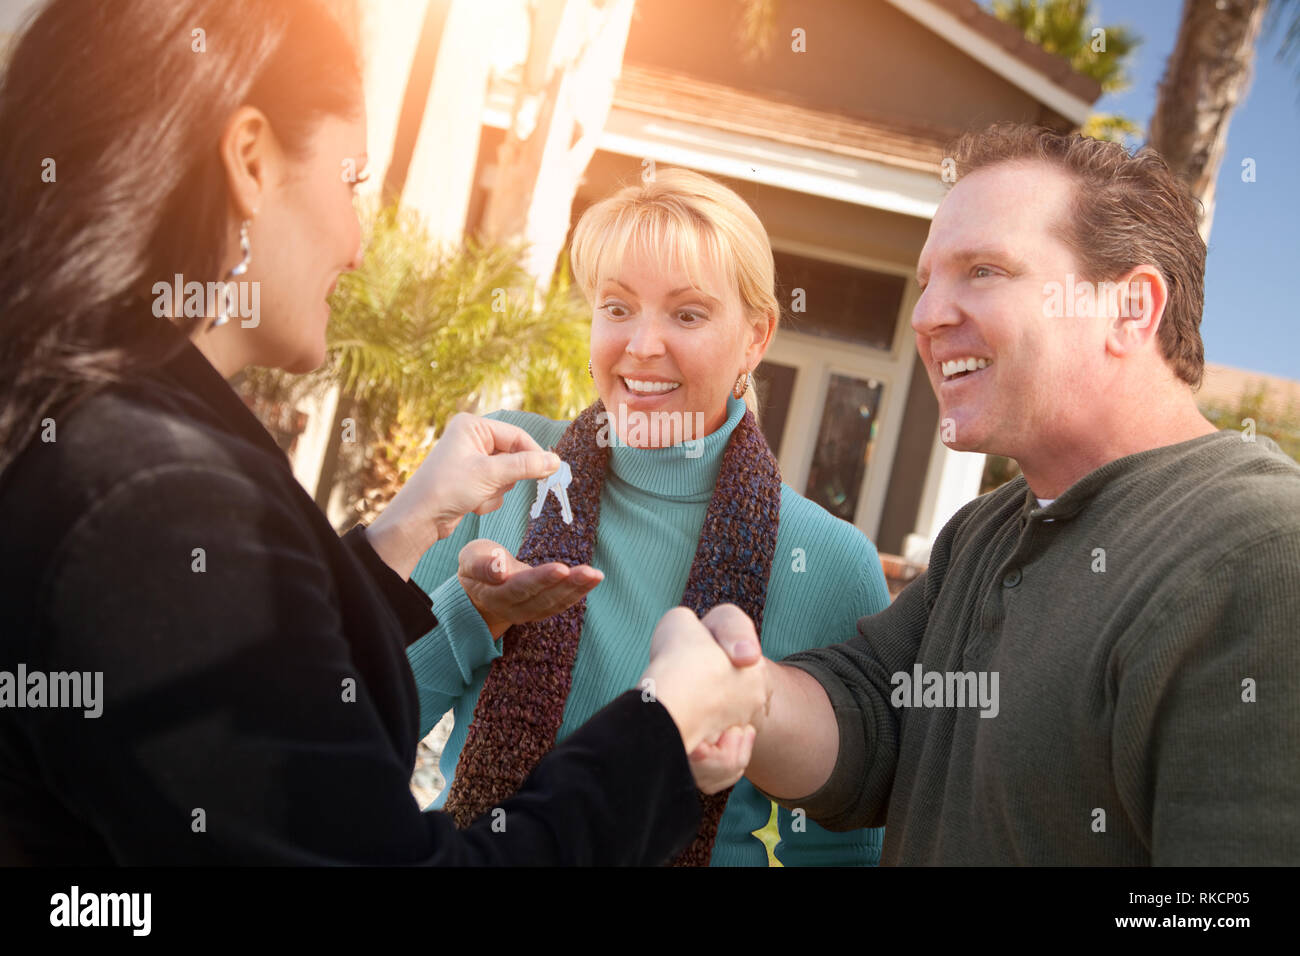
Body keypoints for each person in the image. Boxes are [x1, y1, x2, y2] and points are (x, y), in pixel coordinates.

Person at [0, 0, 770, 865]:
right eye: (353, 180)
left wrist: (402, 534)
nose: (359, 242)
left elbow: (284, 748)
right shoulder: (159, 496)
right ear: (251, 161)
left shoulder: (98, 422)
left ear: (755, 336)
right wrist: (662, 734)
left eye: (689, 312)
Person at [707, 123, 1300, 865]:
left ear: (1131, 309)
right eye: (928, 283)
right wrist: (744, 694)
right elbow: (868, 722)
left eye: (983, 270)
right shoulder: (983, 533)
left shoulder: (1264, 552)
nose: (927, 316)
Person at [406, 167, 892, 866]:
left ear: (756, 337)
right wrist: (473, 614)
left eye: (687, 314)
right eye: (617, 307)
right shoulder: (505, 465)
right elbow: (365, 726)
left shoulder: (828, 561)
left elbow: (839, 854)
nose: (640, 345)